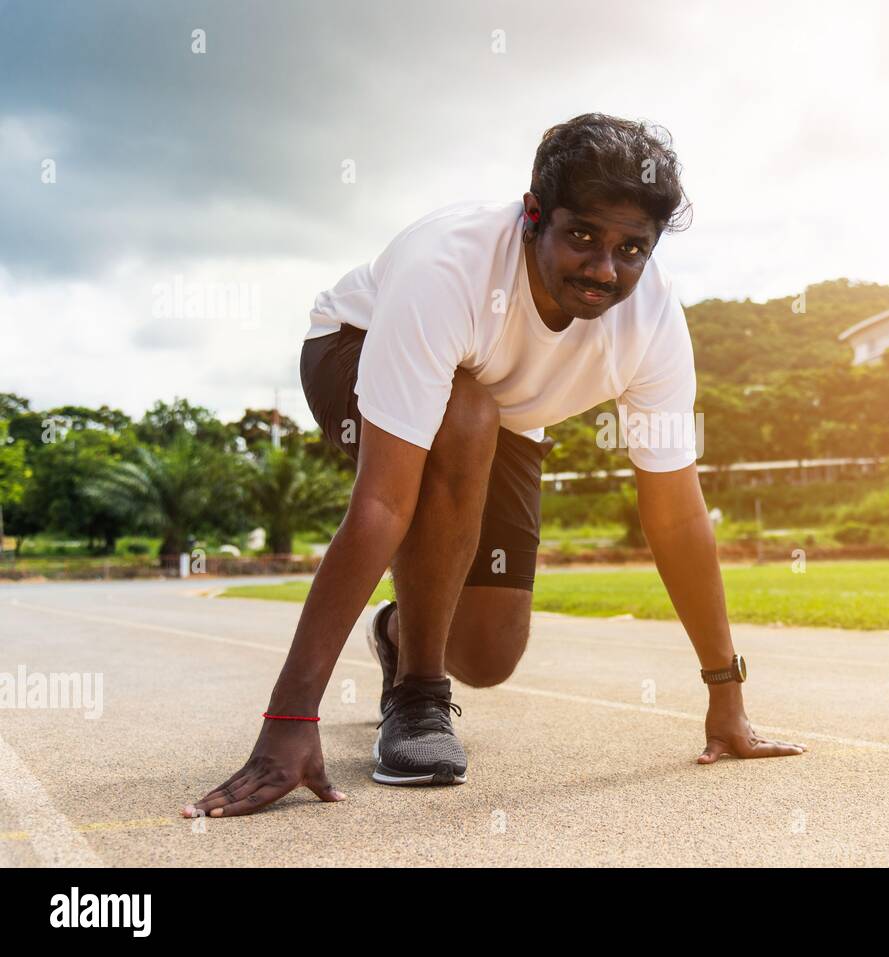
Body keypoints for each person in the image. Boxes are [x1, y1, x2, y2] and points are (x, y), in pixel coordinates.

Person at [181, 113, 806, 819]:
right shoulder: (447, 268)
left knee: (487, 653)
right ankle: (417, 699)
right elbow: (384, 504)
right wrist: (289, 723)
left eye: (632, 248)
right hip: (351, 348)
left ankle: (399, 631)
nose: (604, 269)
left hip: (504, 405)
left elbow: (676, 510)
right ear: (533, 215)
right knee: (465, 410)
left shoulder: (655, 320)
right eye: (582, 237)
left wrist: (726, 694)